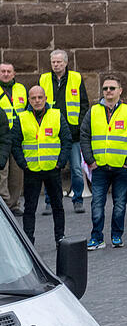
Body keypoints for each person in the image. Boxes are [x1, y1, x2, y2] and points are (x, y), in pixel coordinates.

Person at [80, 76, 127, 250]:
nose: (108, 91)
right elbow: (84, 135)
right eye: (105, 88)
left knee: (120, 204)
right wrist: (90, 160)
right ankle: (97, 237)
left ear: (120, 91)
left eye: (112, 88)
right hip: (99, 167)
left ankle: (117, 235)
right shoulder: (93, 111)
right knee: (97, 204)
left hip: (121, 167)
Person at [11, 86, 71, 245]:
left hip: (52, 169)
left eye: (40, 97)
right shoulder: (21, 117)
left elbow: (67, 140)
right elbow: (15, 144)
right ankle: (28, 241)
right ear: (29, 100)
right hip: (31, 170)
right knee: (30, 208)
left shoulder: (56, 115)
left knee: (58, 206)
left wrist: (60, 162)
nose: (37, 101)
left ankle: (60, 238)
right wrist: (23, 164)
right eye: (33, 98)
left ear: (45, 98)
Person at [39, 49, 90, 214]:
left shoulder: (76, 78)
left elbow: (84, 104)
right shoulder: (44, 79)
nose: (56, 65)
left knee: (76, 169)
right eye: (53, 62)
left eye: (59, 62)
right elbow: (38, 103)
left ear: (66, 63)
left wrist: (79, 125)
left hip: (73, 133)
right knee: (51, 169)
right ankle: (50, 202)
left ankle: (78, 200)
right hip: (51, 132)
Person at [0, 62, 26, 216]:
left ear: (14, 74)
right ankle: (3, 205)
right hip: (1, 136)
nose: (6, 74)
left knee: (17, 173)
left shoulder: (21, 89)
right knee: (2, 172)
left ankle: (14, 205)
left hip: (17, 136)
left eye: (8, 71)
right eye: (3, 71)